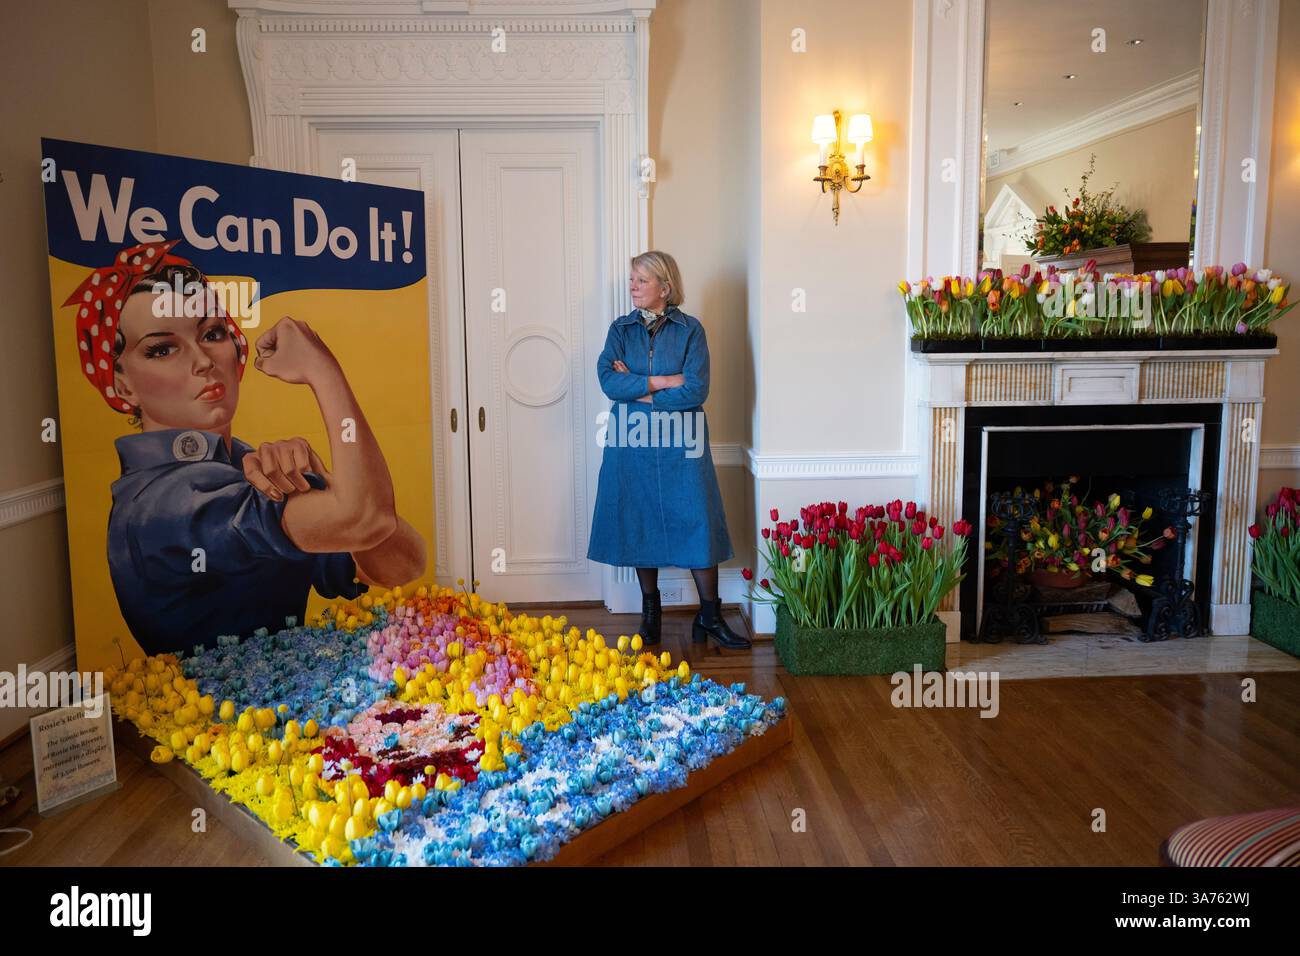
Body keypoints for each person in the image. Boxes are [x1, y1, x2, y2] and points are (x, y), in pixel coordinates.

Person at [64, 239, 426, 656]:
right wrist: (323, 372)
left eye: (211, 333)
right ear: (122, 383)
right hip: (216, 715)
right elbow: (366, 518)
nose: (202, 360)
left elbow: (401, 565)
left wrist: (327, 482)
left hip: (298, 703)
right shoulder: (166, 501)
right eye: (161, 349)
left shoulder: (240, 464)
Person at [587, 250, 750, 650]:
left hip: (684, 441)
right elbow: (609, 382)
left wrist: (639, 387)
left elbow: (696, 389)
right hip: (632, 442)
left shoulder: (691, 330)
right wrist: (662, 381)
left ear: (666, 286)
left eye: (641, 280)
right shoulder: (620, 330)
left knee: (698, 520)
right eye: (632, 280)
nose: (633, 287)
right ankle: (650, 615)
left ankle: (710, 616)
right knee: (640, 519)